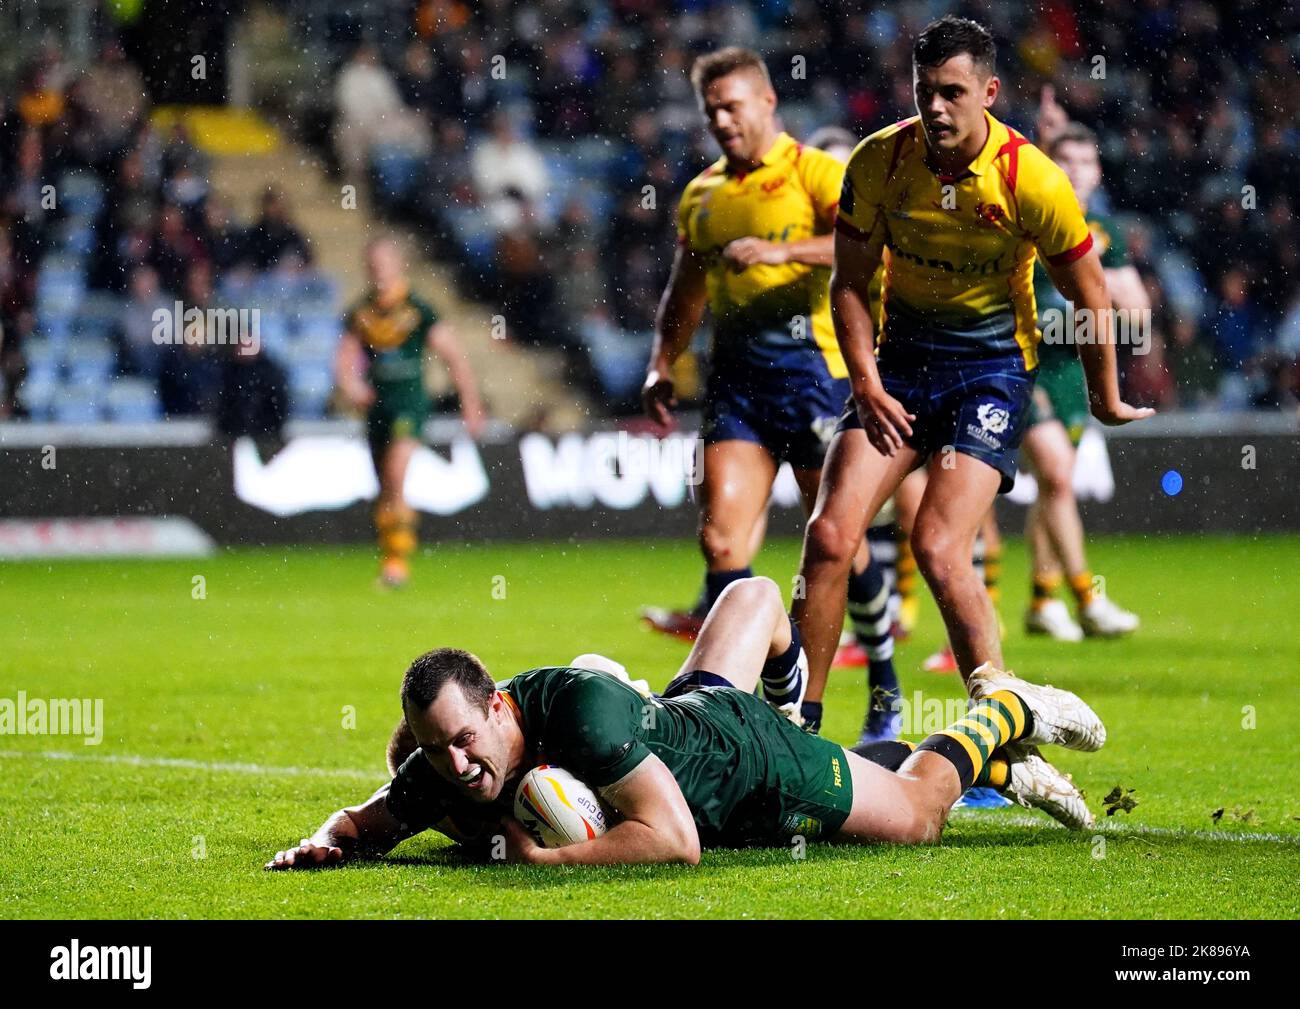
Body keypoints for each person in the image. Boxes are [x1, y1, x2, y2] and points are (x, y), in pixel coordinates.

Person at [791, 16, 1153, 718]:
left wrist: (1106, 395)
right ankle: (796, 727)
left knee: (936, 543)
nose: (935, 107)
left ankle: (1002, 735)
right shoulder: (878, 162)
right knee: (831, 534)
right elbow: (849, 281)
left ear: (988, 91)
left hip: (988, 371)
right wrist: (864, 380)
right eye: (925, 91)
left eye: (953, 92)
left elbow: (1091, 291)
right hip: (898, 367)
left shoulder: (1030, 179)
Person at [266, 577, 1102, 871]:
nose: (457, 763)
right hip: (679, 718)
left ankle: (1001, 713)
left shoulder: (580, 715)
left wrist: (551, 856)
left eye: (465, 739)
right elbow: (365, 817)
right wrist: (325, 842)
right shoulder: (446, 762)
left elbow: (673, 842)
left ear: (497, 706)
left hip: (746, 764)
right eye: (438, 749)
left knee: (917, 819)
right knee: (750, 597)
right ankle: (996, 769)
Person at [638, 49, 873, 692]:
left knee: (838, 543)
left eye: (732, 105)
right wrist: (662, 363)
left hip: (816, 376)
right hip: (736, 384)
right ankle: (741, 688)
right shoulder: (703, 195)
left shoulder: (817, 172)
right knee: (720, 542)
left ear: (768, 102)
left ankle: (884, 684)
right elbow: (685, 293)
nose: (721, 119)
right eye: (711, 109)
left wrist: (782, 251)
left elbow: (864, 246)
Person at [1023, 117, 1144, 640]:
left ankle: (1042, 601)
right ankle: (1087, 599)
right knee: (1054, 474)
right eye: (1064, 162)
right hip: (1023, 363)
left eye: (1085, 163)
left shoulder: (1104, 234)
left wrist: (1111, 292)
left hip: (1073, 370)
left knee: (1057, 486)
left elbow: (1136, 315)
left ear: (1098, 174)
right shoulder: (1029, 218)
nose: (1075, 172)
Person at [335, 236, 487, 588]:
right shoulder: (361, 311)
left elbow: (453, 355)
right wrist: (352, 385)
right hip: (377, 408)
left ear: (398, 265)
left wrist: (470, 401)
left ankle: (397, 564)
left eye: (384, 264)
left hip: (409, 403)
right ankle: (392, 552)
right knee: (385, 486)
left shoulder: (419, 309)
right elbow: (344, 358)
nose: (379, 271)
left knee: (397, 473)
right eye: (373, 265)